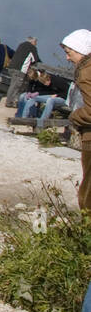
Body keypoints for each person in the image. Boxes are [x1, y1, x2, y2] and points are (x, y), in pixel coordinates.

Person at [58, 30, 91, 211]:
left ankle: (85, 233)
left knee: (88, 192)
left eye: (69, 52)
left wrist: (74, 116)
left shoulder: (86, 71)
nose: (67, 58)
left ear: (80, 51)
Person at [5, 37, 41, 108]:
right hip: (19, 69)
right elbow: (35, 60)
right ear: (33, 42)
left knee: (13, 85)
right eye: (36, 42)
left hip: (11, 67)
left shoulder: (21, 45)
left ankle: (10, 101)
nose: (36, 44)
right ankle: (10, 102)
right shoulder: (32, 47)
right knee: (16, 86)